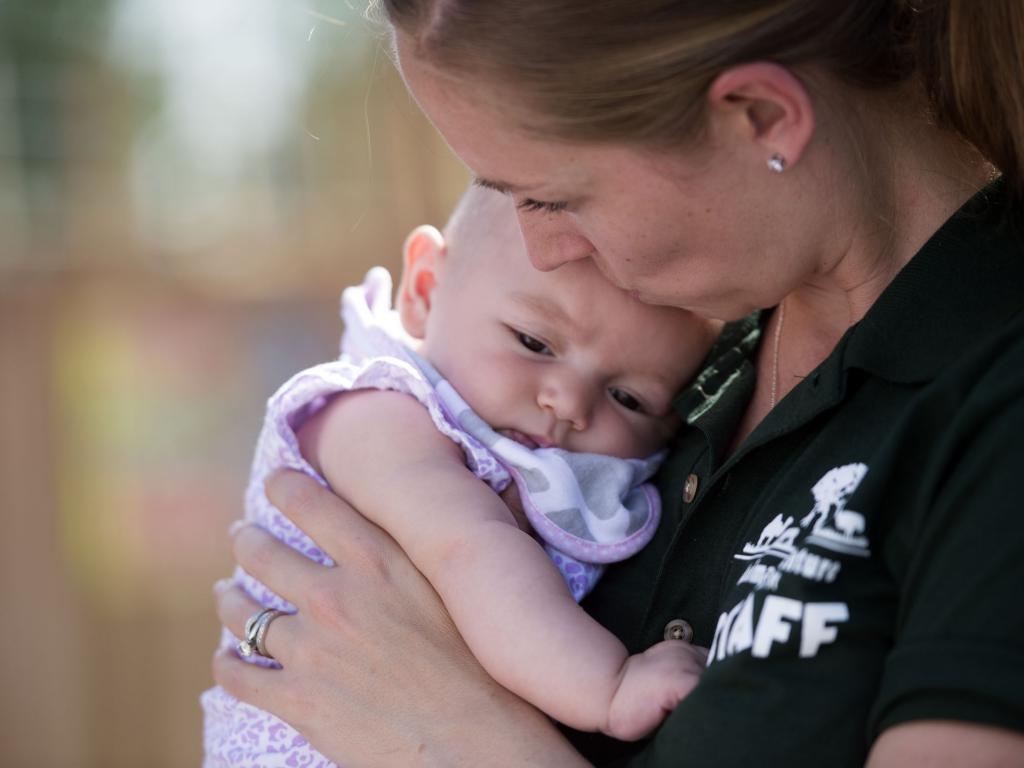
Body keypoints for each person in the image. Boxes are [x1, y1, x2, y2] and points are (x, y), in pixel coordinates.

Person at [211, 1, 1024, 765]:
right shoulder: (698, 335)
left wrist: (463, 738)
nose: (542, 249)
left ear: (762, 119)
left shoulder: (989, 397)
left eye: (555, 197)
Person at [203, 184, 719, 766]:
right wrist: (610, 687)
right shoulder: (378, 412)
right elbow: (469, 552)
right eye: (534, 342)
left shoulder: (573, 465)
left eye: (629, 397)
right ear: (424, 291)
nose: (569, 402)